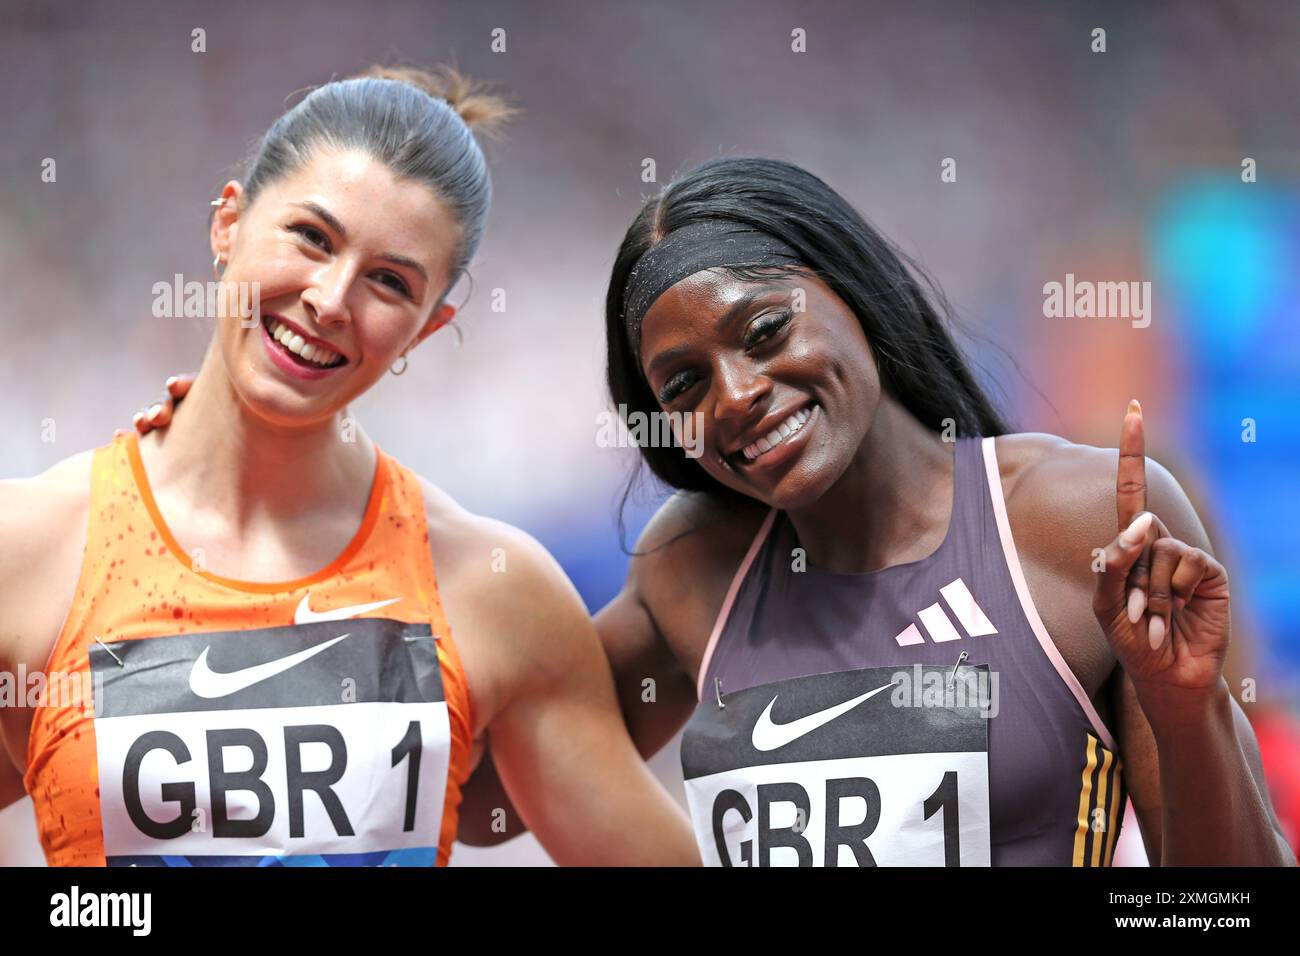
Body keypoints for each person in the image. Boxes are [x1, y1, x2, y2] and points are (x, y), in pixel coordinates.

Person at [123, 157, 1297, 866]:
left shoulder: (1074, 517)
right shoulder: (694, 576)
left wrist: (1183, 705)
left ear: (855, 290)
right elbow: (478, 803)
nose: (738, 396)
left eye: (765, 330)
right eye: (682, 384)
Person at [0, 65, 699, 867]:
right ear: (227, 224)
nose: (331, 300)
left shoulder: (489, 588)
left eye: (389, 282)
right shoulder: (31, 550)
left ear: (428, 329)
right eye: (311, 237)